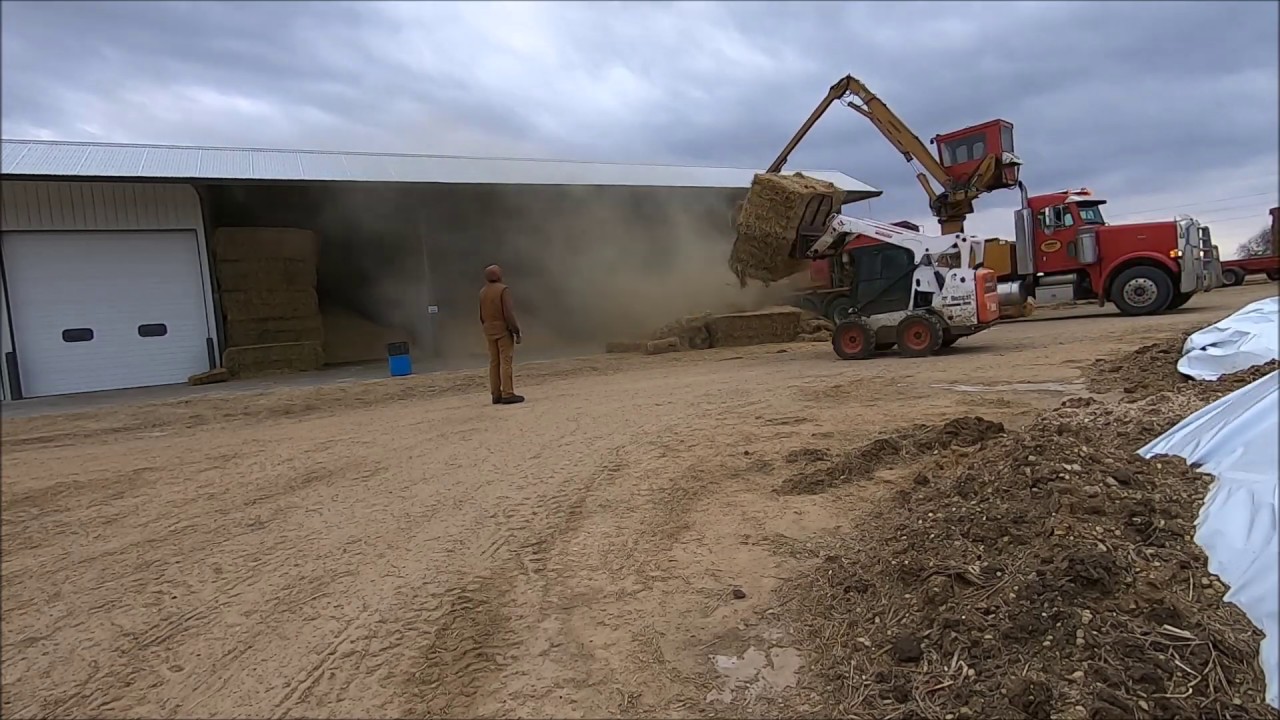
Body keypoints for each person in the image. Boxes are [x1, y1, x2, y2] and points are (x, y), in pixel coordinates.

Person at [479, 264, 524, 405]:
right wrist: (516, 331)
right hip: (503, 330)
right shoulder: (503, 290)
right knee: (505, 361)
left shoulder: (482, 292)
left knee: (494, 362)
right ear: (498, 276)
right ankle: (507, 393)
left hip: (488, 330)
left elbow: (481, 315)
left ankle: (495, 394)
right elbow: (508, 313)